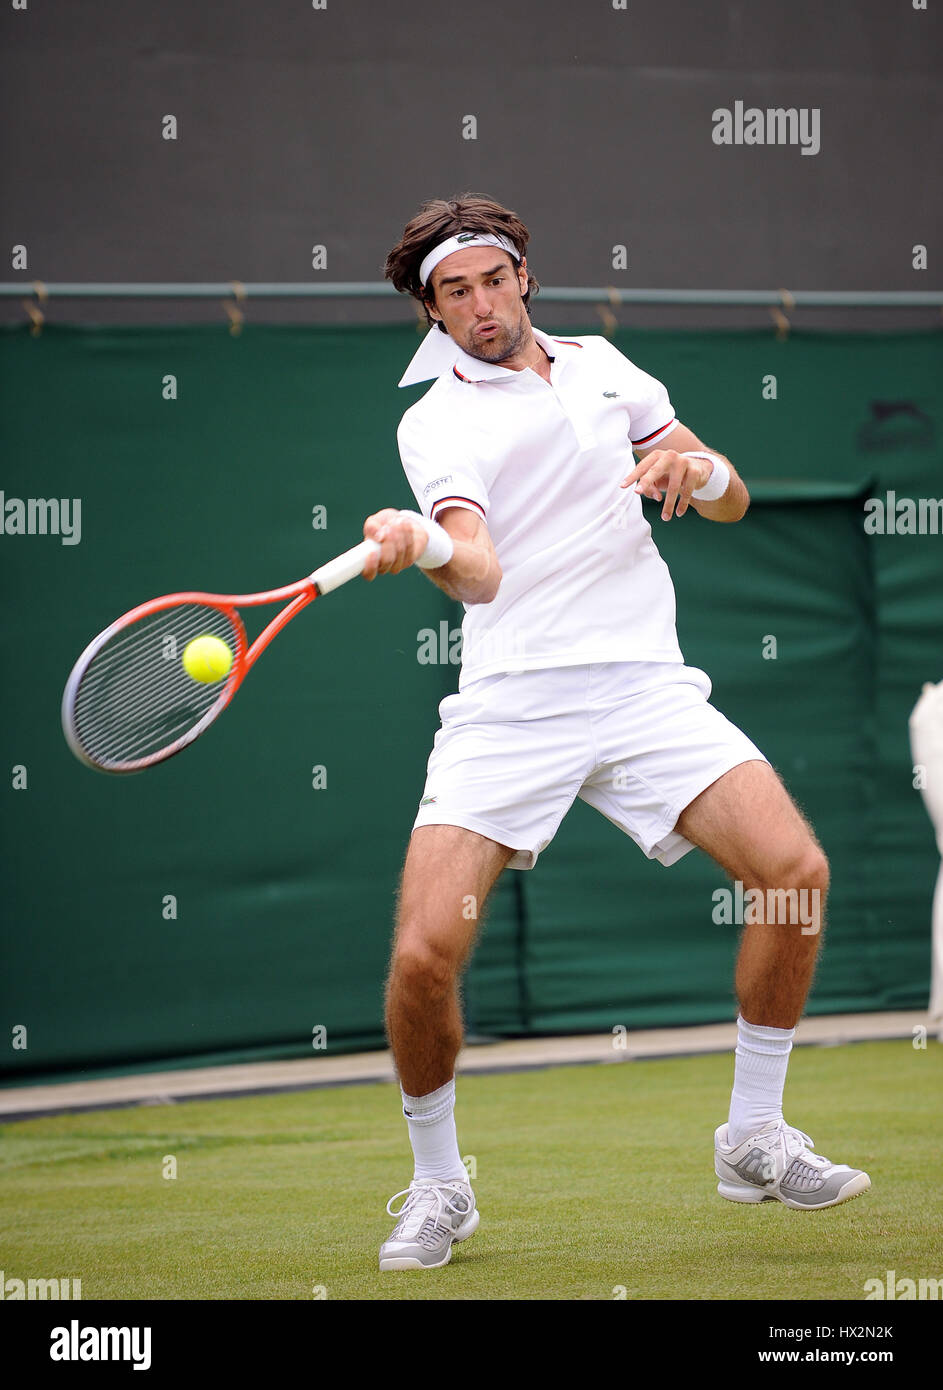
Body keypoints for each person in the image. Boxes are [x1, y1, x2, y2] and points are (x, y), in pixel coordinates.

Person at [362, 193, 870, 1272]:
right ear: (432, 311)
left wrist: (700, 471)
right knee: (421, 958)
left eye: (494, 279)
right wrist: (424, 544)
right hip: (512, 705)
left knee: (793, 870)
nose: (483, 304)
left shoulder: (605, 368)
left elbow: (728, 494)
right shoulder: (435, 420)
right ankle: (440, 1184)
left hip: (641, 686)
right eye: (455, 292)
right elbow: (482, 568)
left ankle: (753, 1134)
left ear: (524, 277)